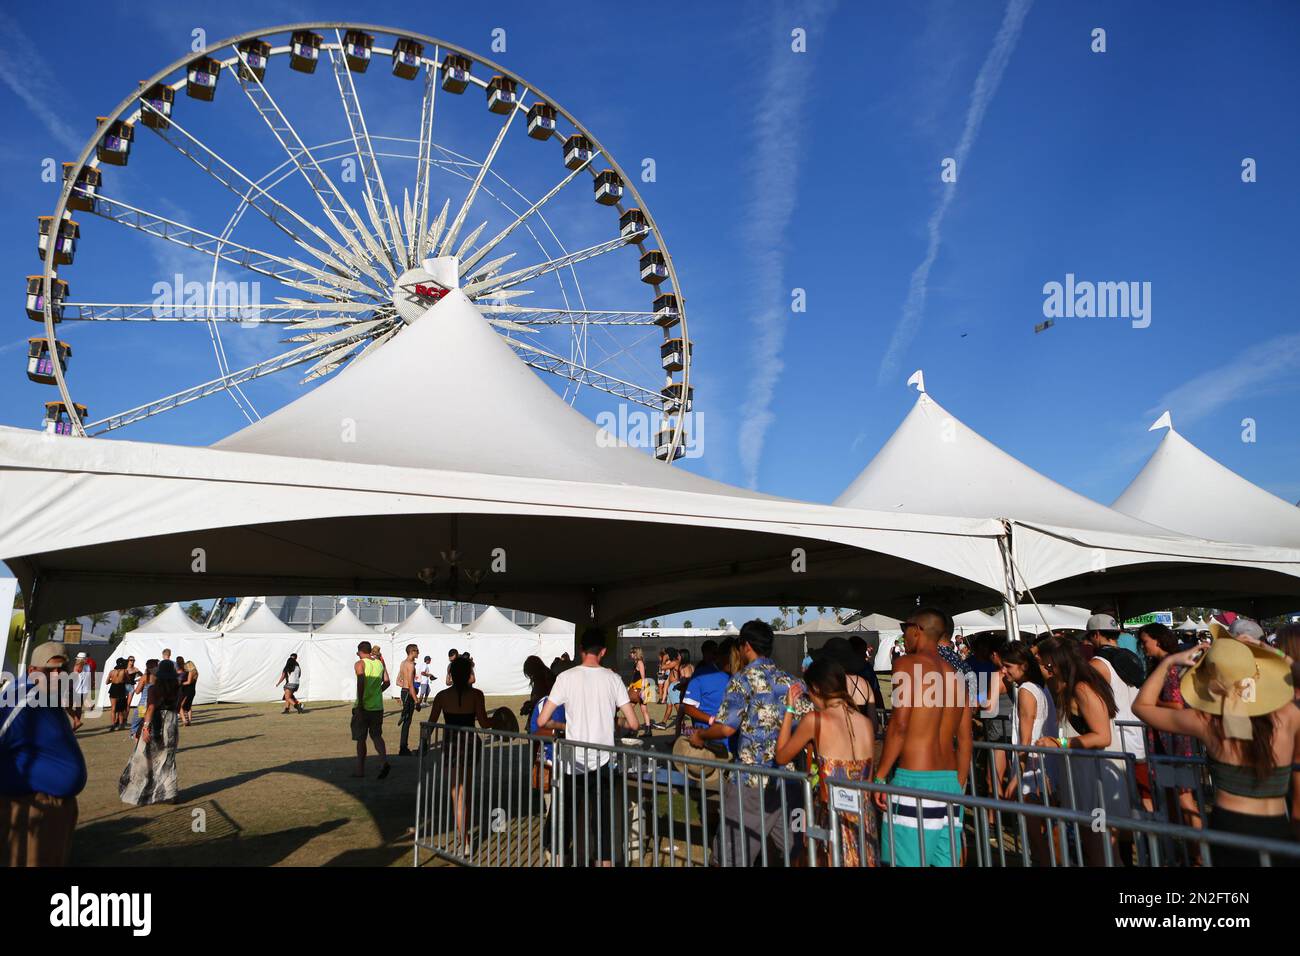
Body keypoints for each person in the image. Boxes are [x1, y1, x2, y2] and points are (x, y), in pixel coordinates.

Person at [1134, 621, 1300, 865]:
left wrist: (1169, 661)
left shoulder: (1208, 721)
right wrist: (1270, 651)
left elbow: (1141, 706)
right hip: (1276, 826)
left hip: (1229, 828)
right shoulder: (1289, 715)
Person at [689, 620, 812, 866]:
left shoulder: (742, 680)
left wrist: (700, 736)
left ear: (745, 646)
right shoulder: (793, 682)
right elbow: (809, 725)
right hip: (789, 781)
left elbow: (726, 727)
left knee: (733, 853)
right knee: (796, 851)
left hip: (750, 780)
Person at [874, 610, 972, 867]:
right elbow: (965, 739)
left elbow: (899, 725)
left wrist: (880, 775)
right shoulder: (955, 676)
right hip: (950, 783)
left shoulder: (906, 665)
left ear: (917, 629)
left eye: (905, 628)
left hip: (914, 781)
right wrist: (958, 785)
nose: (903, 635)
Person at [533, 629, 639, 866]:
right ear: (603, 651)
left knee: (564, 822)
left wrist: (563, 724)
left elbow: (542, 721)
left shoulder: (566, 677)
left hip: (573, 761)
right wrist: (613, 724)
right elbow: (634, 723)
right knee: (603, 827)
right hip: (604, 762)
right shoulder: (613, 679)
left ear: (581, 650)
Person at [1033, 635, 1129, 865]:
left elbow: (1102, 736)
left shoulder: (1083, 688)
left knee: (1100, 847)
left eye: (1043, 662)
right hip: (1085, 777)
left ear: (1054, 662)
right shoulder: (1069, 687)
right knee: (1096, 845)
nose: (1042, 668)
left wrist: (1059, 744)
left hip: (1097, 781)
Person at [775, 658, 878, 867]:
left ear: (815, 688)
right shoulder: (866, 723)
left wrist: (789, 710)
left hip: (832, 815)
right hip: (864, 817)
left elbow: (781, 756)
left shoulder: (816, 720)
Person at [0, 643, 87, 865]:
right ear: (32, 671)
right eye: (50, 671)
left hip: (52, 807)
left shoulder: (46, 693)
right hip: (32, 806)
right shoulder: (21, 699)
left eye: (63, 669)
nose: (58, 676)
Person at [1137, 622, 1202, 831]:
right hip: (1165, 740)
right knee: (1174, 796)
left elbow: (1176, 704)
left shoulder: (1170, 667)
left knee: (1184, 797)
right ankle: (1190, 851)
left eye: (1145, 641)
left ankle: (1200, 855)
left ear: (1157, 640)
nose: (1143, 645)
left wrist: (1152, 701)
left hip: (1175, 742)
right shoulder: (1163, 665)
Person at [998, 642, 1058, 865]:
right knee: (1048, 830)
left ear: (1023, 665)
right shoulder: (1041, 687)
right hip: (1044, 765)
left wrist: (1016, 775)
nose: (1004, 671)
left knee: (1036, 835)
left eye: (1007, 666)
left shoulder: (1026, 691)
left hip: (1032, 770)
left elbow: (1025, 738)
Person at [429, 656, 491, 857]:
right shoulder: (476, 695)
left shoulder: (441, 696)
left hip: (451, 743)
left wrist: (422, 744)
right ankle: (465, 837)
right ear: (468, 675)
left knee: (457, 794)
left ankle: (463, 840)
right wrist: (499, 719)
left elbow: (430, 724)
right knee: (466, 790)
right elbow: (483, 722)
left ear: (451, 675)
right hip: (470, 742)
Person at [119, 659, 181, 806]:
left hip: (156, 721)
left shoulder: (154, 687)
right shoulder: (178, 688)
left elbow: (151, 708)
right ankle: (171, 792)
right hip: (171, 723)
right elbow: (178, 708)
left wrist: (146, 727)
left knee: (144, 755)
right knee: (168, 758)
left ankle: (142, 789)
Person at [351, 641, 390, 780]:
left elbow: (361, 682)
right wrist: (377, 692)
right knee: (377, 736)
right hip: (377, 707)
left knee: (361, 739)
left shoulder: (360, 664)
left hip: (364, 707)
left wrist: (360, 703)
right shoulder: (379, 663)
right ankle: (383, 761)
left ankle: (360, 770)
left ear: (359, 651)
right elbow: (387, 681)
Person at [396, 643, 420, 756]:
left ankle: (403, 747)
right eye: (417, 651)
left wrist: (405, 687)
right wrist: (416, 700)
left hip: (404, 692)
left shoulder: (403, 663)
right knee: (407, 721)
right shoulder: (410, 665)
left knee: (406, 721)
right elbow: (410, 684)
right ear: (412, 652)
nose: (418, 652)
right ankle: (403, 748)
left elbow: (398, 681)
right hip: (408, 693)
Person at [129, 660, 158, 741]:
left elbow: (137, 691)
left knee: (136, 725)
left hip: (143, 705)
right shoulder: (158, 677)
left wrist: (141, 684)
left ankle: (137, 740)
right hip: (154, 704)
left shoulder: (145, 676)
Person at [627, 647, 652, 735]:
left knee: (635, 709)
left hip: (640, 689)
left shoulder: (640, 662)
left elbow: (643, 677)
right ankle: (647, 731)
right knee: (639, 709)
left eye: (632, 653)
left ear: (636, 653)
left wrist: (642, 690)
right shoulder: (637, 662)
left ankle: (633, 730)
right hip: (637, 688)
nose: (631, 654)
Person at [69, 653, 92, 731]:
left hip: (76, 690)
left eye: (77, 659)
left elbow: (73, 678)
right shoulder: (88, 666)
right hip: (84, 690)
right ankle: (76, 725)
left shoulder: (77, 667)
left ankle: (76, 722)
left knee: (67, 706)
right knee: (78, 708)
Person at [106, 658, 130, 731]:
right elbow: (128, 680)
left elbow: (107, 682)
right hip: (121, 689)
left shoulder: (111, 672)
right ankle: (120, 724)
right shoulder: (125, 671)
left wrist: (113, 680)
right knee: (121, 709)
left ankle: (113, 724)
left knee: (113, 708)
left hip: (113, 688)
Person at [178, 660, 198, 726]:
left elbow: (188, 682)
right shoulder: (196, 672)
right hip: (192, 690)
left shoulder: (190, 672)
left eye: (186, 666)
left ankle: (184, 720)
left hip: (187, 691)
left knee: (180, 706)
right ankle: (189, 721)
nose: (185, 667)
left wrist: (181, 684)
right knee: (188, 706)